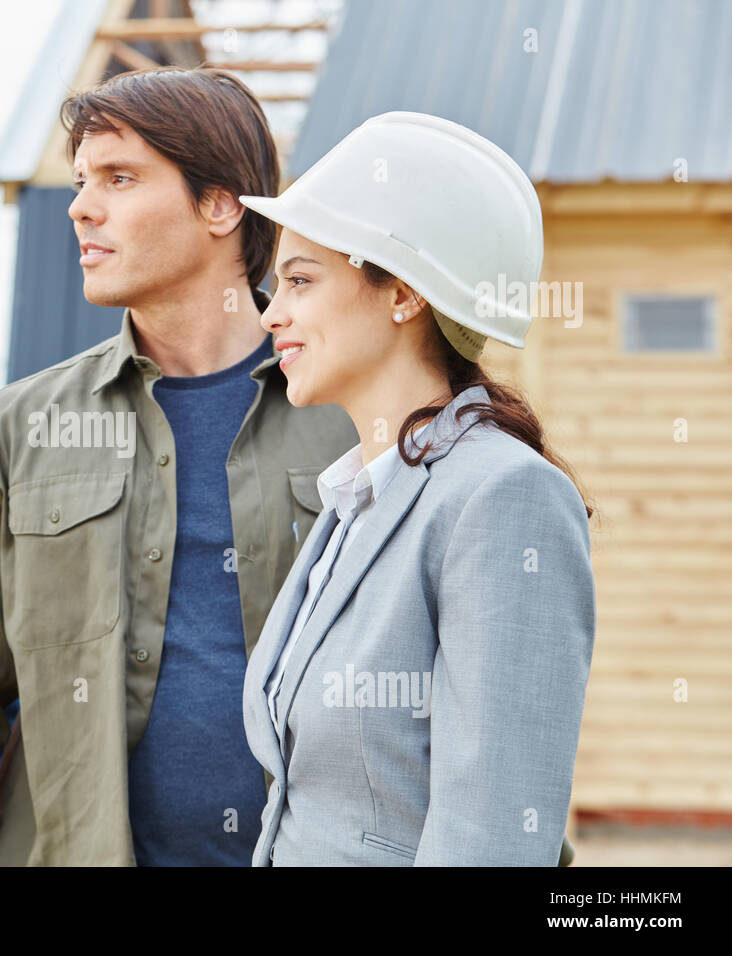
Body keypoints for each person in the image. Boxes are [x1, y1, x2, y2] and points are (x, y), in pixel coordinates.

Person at [0, 67, 357, 866]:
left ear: (221, 204)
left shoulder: (354, 420)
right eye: (82, 180)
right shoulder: (14, 431)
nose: (81, 207)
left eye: (120, 178)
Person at [238, 111, 596, 866]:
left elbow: (493, 836)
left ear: (403, 294)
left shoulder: (504, 497)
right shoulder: (357, 498)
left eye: (301, 281)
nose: (273, 314)